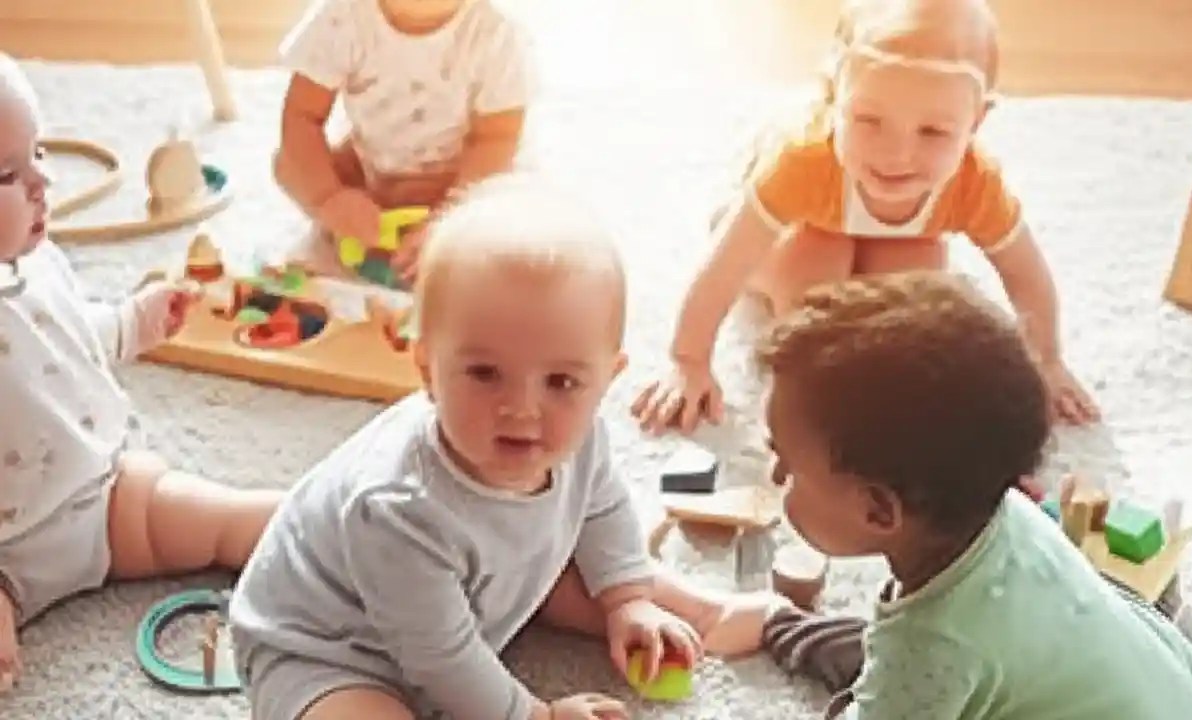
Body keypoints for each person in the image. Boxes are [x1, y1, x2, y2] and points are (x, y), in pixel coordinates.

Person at [229, 174, 781, 720]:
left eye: (561, 382)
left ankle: (705, 613)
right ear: (427, 370)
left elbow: (603, 507)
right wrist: (535, 714)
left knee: (579, 565)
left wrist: (627, 598)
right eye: (485, 373)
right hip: (328, 652)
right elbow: (440, 660)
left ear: (606, 380)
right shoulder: (399, 507)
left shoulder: (581, 436)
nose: (522, 408)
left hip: (469, 600)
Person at [756, 271, 1192, 719]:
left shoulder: (929, 645)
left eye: (788, 465)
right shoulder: (1013, 511)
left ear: (879, 510)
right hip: (1175, 689)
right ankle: (782, 626)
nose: (776, 476)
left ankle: (780, 626)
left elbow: (921, 663)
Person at [633, 0, 1099, 435]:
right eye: (868, 120)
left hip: (890, 231)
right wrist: (688, 359)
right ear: (836, 96)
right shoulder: (802, 161)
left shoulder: (974, 182)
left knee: (915, 291)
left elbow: (1026, 274)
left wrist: (1049, 360)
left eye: (933, 132)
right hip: (782, 226)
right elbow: (727, 263)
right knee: (818, 272)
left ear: (976, 120)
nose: (896, 154)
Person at [0, 53, 282, 690]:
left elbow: (71, 341)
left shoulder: (37, 261)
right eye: (6, 173)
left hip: (105, 499)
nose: (41, 182)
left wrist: (135, 321)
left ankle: (316, 526)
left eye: (38, 153)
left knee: (224, 521)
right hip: (7, 558)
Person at [273, 0, 531, 287]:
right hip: (371, 169)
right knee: (288, 164)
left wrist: (453, 209)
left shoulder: (495, 34)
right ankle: (350, 221)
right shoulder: (342, 17)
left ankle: (446, 234)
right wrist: (329, 196)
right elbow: (303, 116)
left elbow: (496, 139)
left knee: (512, 211)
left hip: (458, 176)